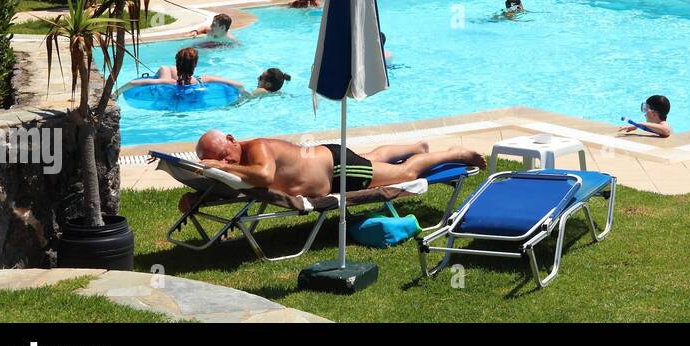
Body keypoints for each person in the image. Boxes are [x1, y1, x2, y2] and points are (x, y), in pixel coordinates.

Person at [182, 130, 485, 203]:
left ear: (232, 140)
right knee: (372, 159)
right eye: (218, 160)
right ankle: (416, 146)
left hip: (338, 171)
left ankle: (453, 153)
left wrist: (215, 166)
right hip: (334, 159)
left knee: (406, 173)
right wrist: (200, 196)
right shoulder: (237, 161)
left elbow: (264, 176)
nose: (224, 163)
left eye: (223, 156)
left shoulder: (257, 149)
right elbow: (238, 183)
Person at [122, 46, 241, 90]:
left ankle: (172, 69)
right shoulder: (204, 79)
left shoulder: (168, 82)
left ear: (178, 63)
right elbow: (239, 85)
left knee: (164, 68)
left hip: (171, 84)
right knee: (167, 69)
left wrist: (114, 95)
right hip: (190, 82)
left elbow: (132, 83)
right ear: (195, 65)